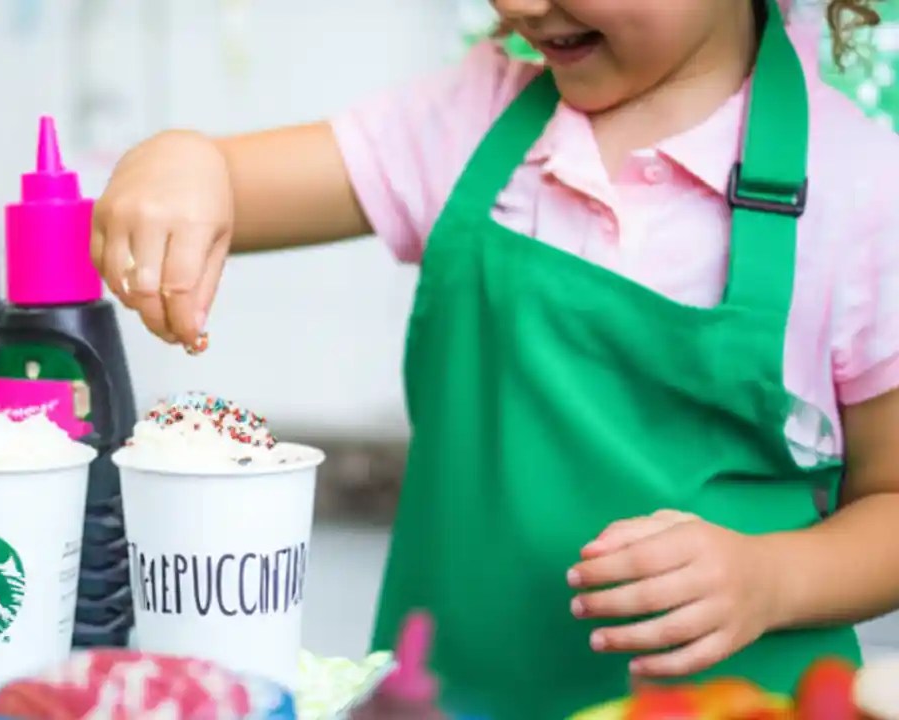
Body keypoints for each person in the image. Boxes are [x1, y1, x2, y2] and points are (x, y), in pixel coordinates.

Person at [90, 0, 899, 717]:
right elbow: (227, 181)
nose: (516, 4)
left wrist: (771, 578)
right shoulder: (474, 118)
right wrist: (179, 160)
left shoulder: (863, 195)